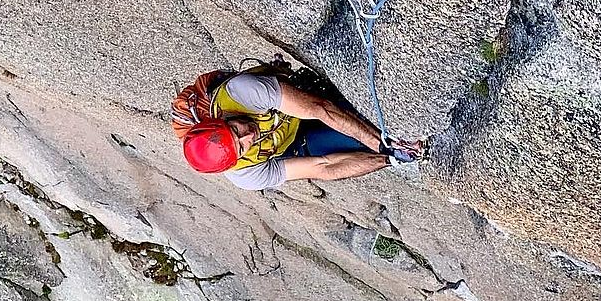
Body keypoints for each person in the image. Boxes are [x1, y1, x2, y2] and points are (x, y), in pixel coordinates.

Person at [175, 67, 424, 190]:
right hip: (297, 142)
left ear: (221, 118)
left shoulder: (240, 93)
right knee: (357, 142)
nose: (249, 135)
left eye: (236, 130)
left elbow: (319, 108)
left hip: (303, 105)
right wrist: (389, 160)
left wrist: (384, 143)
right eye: (242, 146)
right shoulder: (245, 175)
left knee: (367, 115)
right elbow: (322, 167)